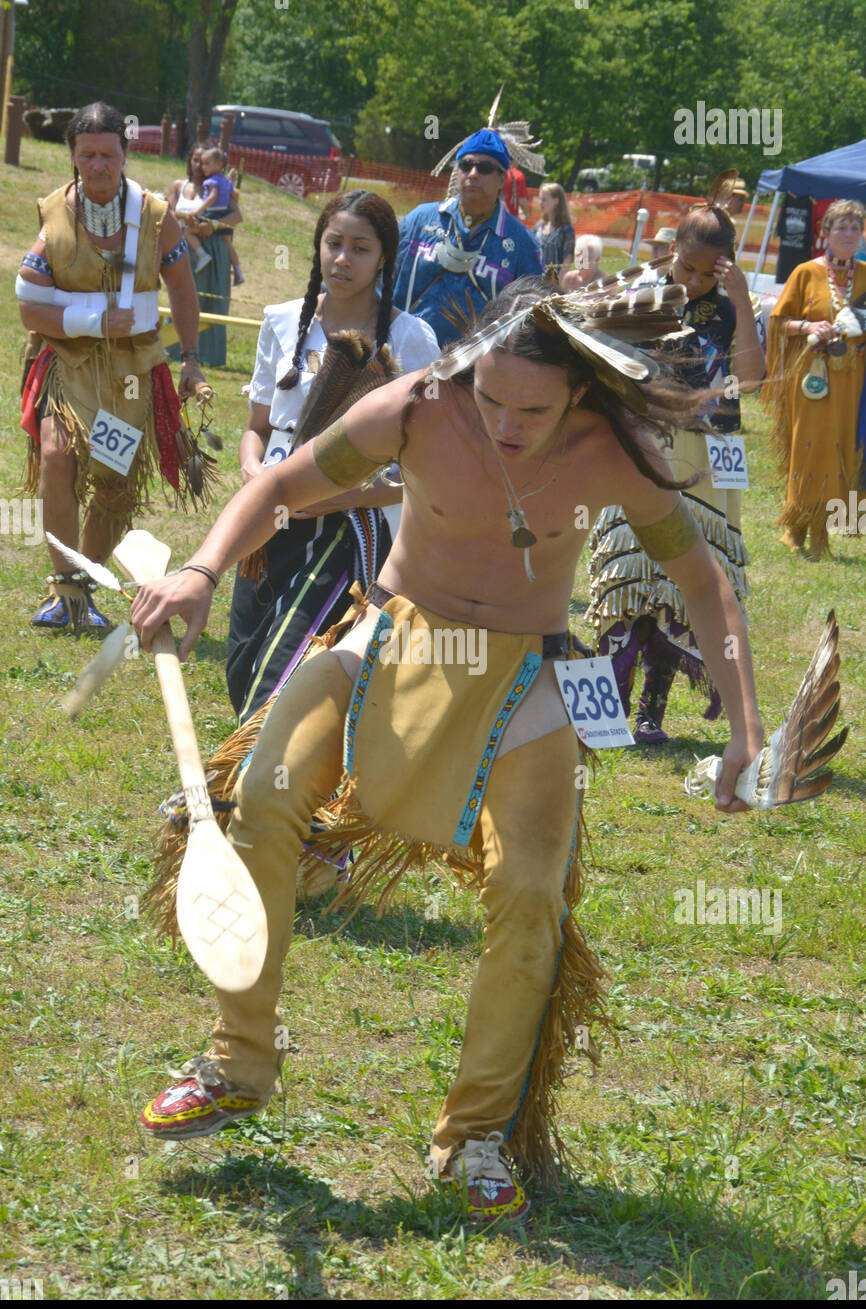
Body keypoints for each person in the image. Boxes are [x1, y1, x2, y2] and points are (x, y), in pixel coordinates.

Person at [131, 274, 765, 1223]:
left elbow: (706, 586)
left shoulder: (616, 458)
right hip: (388, 636)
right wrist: (198, 571)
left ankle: (474, 1135)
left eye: (533, 408)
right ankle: (237, 1060)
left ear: (580, 395)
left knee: (531, 892)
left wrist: (747, 732)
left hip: (526, 680)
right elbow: (277, 482)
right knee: (260, 796)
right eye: (493, 396)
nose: (507, 422)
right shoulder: (419, 409)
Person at [227, 189, 439, 724]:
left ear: (384, 257)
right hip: (267, 517)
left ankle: (239, 790)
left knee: (287, 664)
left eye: (360, 248)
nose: (342, 259)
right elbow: (256, 429)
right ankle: (277, 783)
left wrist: (345, 494)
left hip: (350, 529)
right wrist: (256, 474)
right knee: (243, 660)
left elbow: (426, 472)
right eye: (334, 243)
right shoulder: (280, 322)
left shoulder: (412, 340)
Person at [18, 101, 206, 632]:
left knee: (114, 481)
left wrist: (192, 360)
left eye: (108, 154)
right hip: (68, 360)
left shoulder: (152, 217)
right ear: (73, 157)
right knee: (57, 457)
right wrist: (92, 321)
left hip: (129, 372)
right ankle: (63, 591)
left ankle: (86, 585)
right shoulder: (54, 213)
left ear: (125, 154)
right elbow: (29, 306)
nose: (98, 165)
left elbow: (184, 290)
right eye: (87, 155)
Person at [586, 203, 765, 742]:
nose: (692, 281)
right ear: (672, 252)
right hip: (642, 442)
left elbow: (752, 381)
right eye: (685, 267)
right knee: (626, 568)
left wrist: (737, 301)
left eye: (707, 273)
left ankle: (652, 710)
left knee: (680, 581)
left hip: (706, 455)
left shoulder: (736, 306)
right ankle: (606, 707)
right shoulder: (642, 291)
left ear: (727, 266)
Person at [765, 199, 866, 558]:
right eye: (841, 227)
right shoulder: (806, 272)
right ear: (825, 233)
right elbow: (778, 322)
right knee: (809, 446)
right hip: (812, 379)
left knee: (843, 447)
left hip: (853, 381)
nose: (849, 234)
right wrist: (809, 325)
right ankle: (797, 526)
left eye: (856, 228)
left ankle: (823, 530)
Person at [393, 127, 543, 345]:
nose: (473, 174)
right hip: (401, 357)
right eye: (466, 166)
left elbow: (533, 317)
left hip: (472, 369)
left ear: (502, 179)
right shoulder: (419, 220)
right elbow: (381, 280)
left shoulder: (522, 243)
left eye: (484, 168)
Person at [167, 145, 242, 367]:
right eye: (196, 160)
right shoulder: (178, 186)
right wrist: (184, 215)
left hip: (216, 247)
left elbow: (237, 215)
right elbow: (168, 214)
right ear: (190, 161)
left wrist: (215, 225)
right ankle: (176, 349)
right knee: (183, 296)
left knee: (213, 297)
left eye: (205, 161)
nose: (200, 165)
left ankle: (210, 355)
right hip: (185, 246)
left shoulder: (221, 185)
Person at [182, 146, 245, 286]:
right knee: (229, 244)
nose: (202, 167)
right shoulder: (226, 181)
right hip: (224, 212)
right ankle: (238, 271)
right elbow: (235, 195)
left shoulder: (211, 182)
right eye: (200, 162)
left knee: (187, 231)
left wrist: (197, 211)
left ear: (218, 165)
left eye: (206, 163)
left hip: (211, 213)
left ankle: (202, 255)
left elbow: (212, 197)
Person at [533, 183, 575, 281]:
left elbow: (567, 259)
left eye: (544, 199)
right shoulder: (539, 226)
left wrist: (558, 283)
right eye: (540, 199)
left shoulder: (566, 229)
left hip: (554, 284)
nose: (540, 203)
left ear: (556, 201)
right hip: (535, 282)